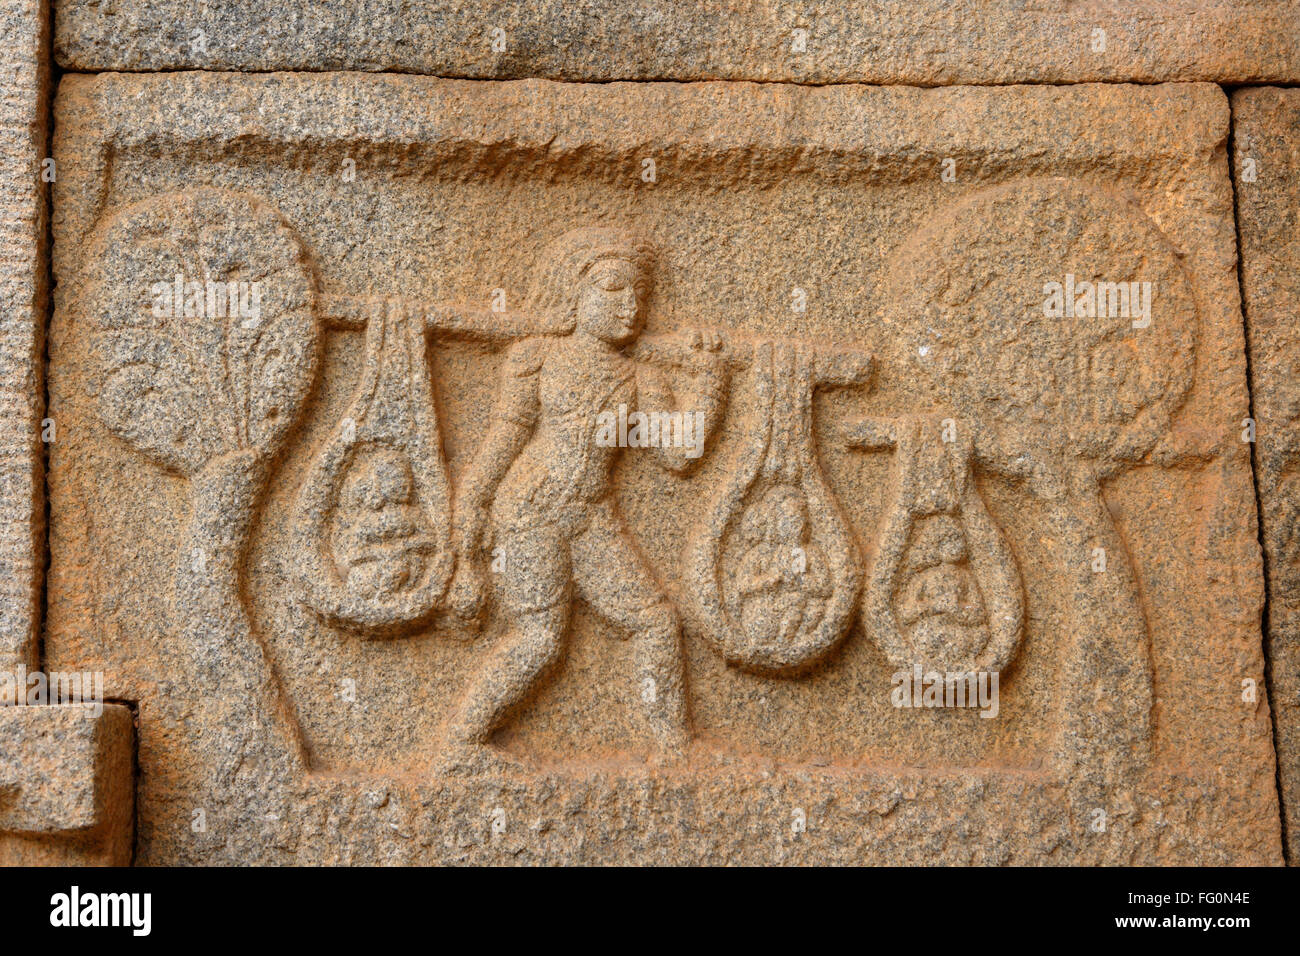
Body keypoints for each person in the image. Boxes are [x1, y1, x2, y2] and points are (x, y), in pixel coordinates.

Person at [444, 225, 728, 761]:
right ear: (575, 294)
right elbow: (502, 443)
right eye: (613, 290)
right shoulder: (537, 358)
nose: (631, 307)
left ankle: (674, 750)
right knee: (540, 642)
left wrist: (708, 380)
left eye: (640, 296)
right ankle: (461, 744)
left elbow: (680, 453)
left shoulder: (640, 377)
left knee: (655, 620)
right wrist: (469, 520)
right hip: (528, 512)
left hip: (592, 516)